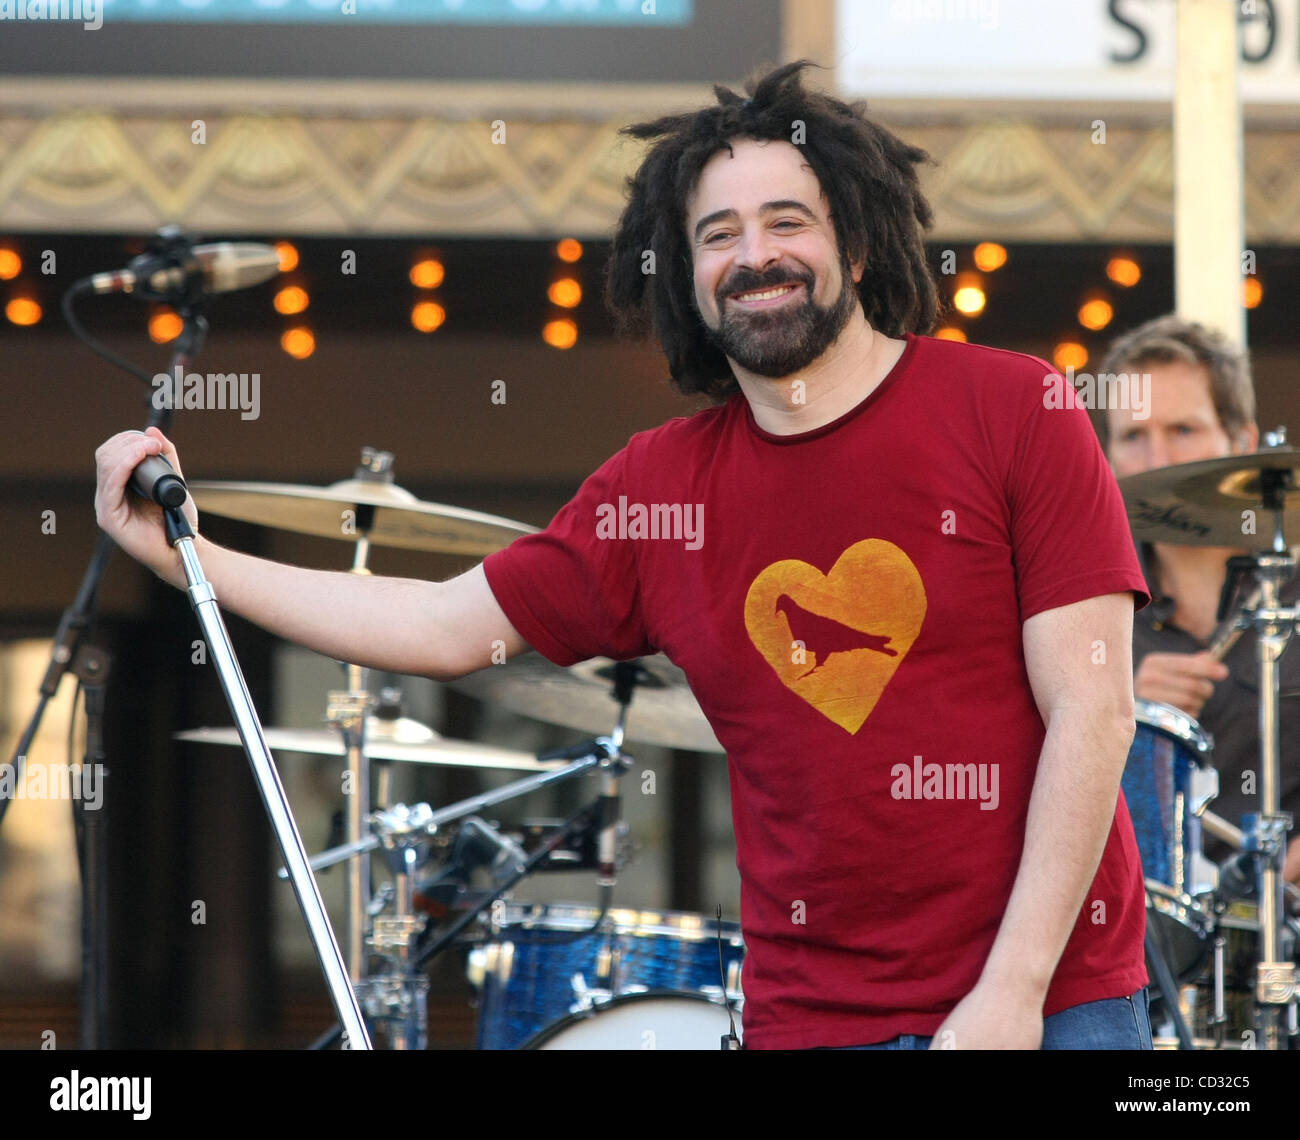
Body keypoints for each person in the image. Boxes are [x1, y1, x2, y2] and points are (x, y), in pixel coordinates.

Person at [95, 62, 1153, 1049]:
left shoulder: (1015, 409)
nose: (754, 256)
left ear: (859, 246)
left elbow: (1092, 708)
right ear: (688, 276)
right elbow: (443, 625)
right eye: (718, 234)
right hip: (813, 1015)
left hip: (1054, 1000)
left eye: (788, 222)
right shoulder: (658, 489)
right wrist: (191, 559)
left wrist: (1011, 992)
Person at [1100, 315, 1300, 885]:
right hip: (1138, 937)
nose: (1157, 459)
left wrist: (1274, 884)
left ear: (1242, 442)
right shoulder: (1084, 609)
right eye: (1134, 437)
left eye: (1182, 429)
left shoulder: (1294, 594)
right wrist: (1118, 710)